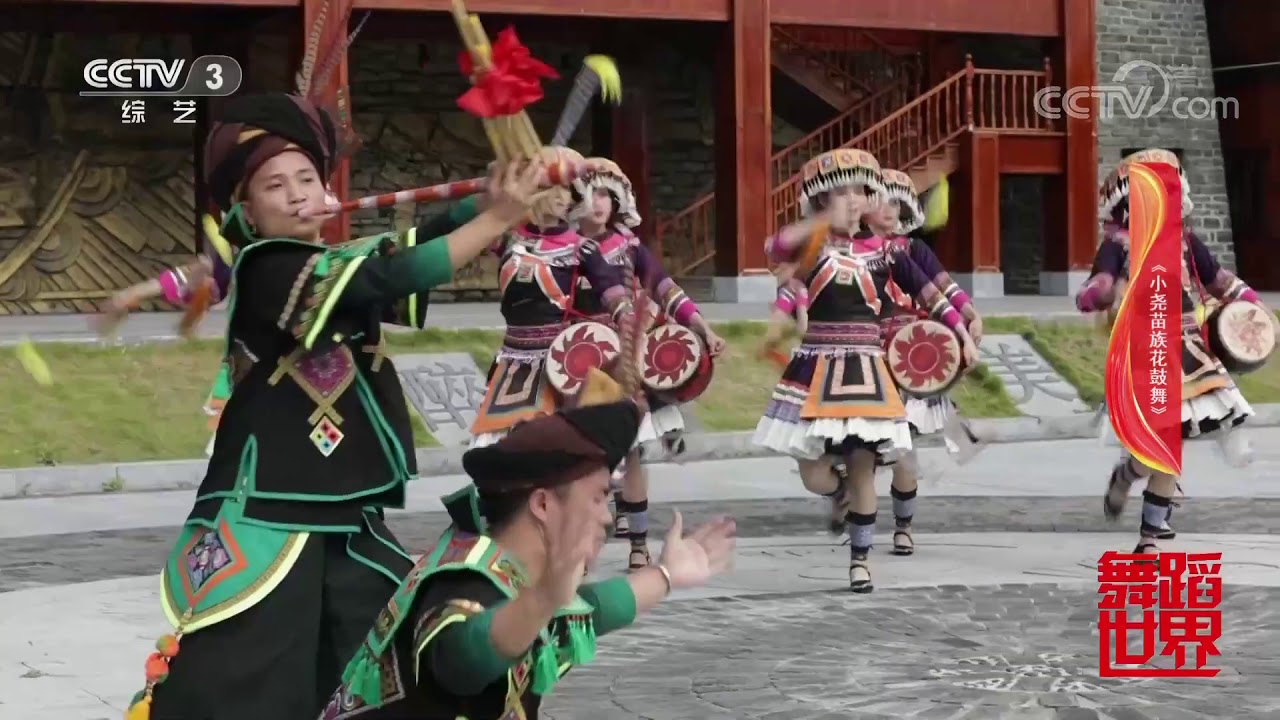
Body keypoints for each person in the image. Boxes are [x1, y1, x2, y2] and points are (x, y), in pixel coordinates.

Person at [123, 92, 548, 720]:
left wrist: (487, 199)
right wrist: (493, 220)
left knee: (380, 656)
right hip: (271, 514)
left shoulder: (329, 260)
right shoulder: (268, 268)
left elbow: (408, 243)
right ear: (247, 210)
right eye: (275, 186)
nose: (297, 194)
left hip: (344, 515)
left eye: (307, 178)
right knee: (245, 678)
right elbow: (389, 273)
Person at [320, 393, 737, 719]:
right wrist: (543, 600)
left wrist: (667, 574)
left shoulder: (506, 571)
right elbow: (462, 661)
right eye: (596, 499)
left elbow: (587, 612)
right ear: (542, 505)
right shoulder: (463, 580)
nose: (606, 519)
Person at [753, 148, 979, 593]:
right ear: (821, 200)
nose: (852, 199)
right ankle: (837, 493)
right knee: (813, 473)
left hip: (867, 368)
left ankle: (860, 559)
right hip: (814, 367)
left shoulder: (887, 253)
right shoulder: (812, 247)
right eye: (840, 192)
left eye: (859, 190)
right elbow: (774, 248)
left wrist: (963, 334)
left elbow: (930, 292)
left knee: (863, 463)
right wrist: (819, 223)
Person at [1077, 147, 1273, 555]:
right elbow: (1099, 283)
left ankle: (1149, 534)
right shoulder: (1119, 242)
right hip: (1141, 349)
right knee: (1151, 449)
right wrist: (1098, 293)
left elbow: (1218, 279)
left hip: (1187, 349)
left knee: (1172, 444)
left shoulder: (1184, 240)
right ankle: (1126, 476)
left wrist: (1252, 304)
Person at [569, 157, 726, 568]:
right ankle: (581, 545)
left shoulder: (629, 247)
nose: (597, 202)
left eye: (605, 193)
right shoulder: (563, 248)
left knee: (633, 449)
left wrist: (703, 329)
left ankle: (639, 545)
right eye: (588, 193)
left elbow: (664, 288)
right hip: (577, 355)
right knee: (582, 456)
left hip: (626, 350)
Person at [469, 147, 635, 450]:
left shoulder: (581, 248)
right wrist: (503, 175)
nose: (562, 198)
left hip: (560, 364)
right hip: (513, 361)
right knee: (500, 452)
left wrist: (626, 318)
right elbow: (480, 214)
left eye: (567, 191)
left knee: (558, 454)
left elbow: (611, 289)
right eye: (552, 189)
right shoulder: (509, 238)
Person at [863, 168, 984, 555]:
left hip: (911, 362)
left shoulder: (912, 250)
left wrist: (969, 315)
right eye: (884, 200)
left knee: (904, 450)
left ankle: (903, 524)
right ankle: (849, 500)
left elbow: (942, 289)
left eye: (898, 202)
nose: (891, 209)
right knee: (858, 449)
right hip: (865, 359)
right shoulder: (852, 252)